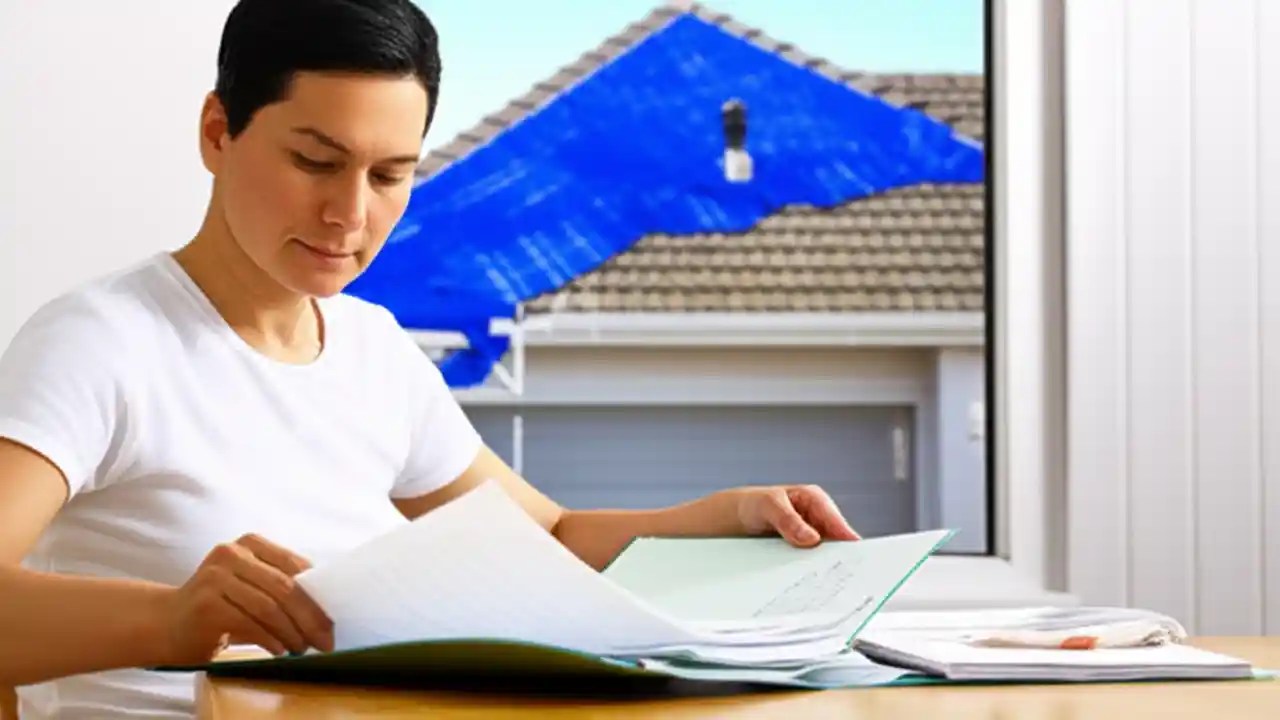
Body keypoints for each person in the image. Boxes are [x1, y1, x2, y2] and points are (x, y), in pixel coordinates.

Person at [0, 1, 861, 717]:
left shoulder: (373, 350)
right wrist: (171, 619)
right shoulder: (102, 341)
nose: (349, 214)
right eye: (315, 161)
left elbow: (549, 537)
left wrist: (728, 514)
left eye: (389, 176)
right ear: (218, 132)